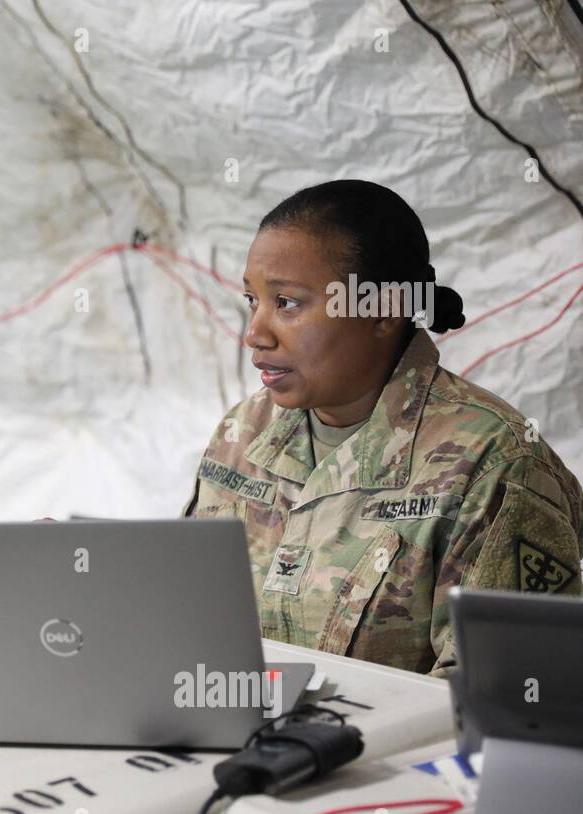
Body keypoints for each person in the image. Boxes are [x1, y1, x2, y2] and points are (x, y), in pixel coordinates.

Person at [183, 180, 582, 677]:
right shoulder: (242, 432)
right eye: (251, 300)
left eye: (286, 302)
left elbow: (499, 699)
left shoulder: (489, 464)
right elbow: (188, 622)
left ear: (383, 311)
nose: (255, 333)